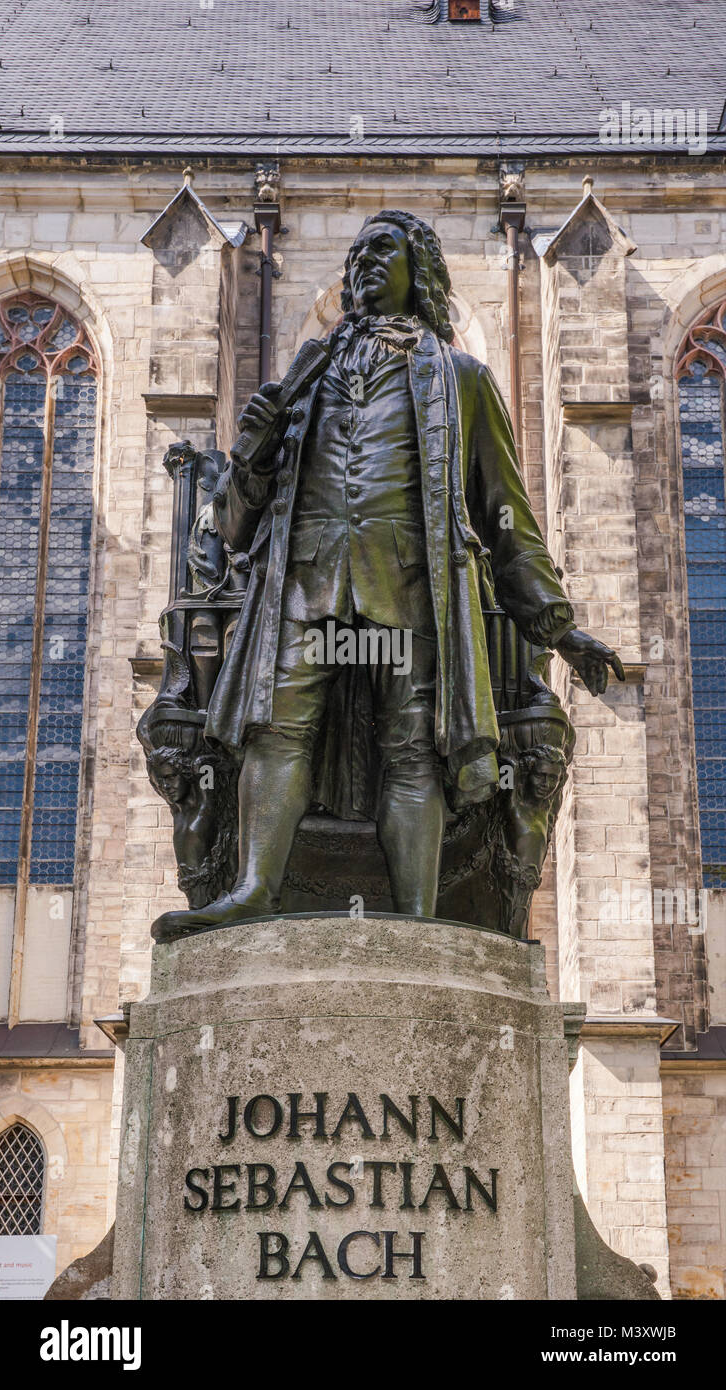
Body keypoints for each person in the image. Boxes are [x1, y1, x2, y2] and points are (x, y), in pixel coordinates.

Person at [152, 209, 623, 940]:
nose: (363, 265)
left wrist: (561, 631)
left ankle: (415, 918)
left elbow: (504, 514)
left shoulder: (462, 380)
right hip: (305, 585)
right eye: (355, 255)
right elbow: (236, 526)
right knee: (276, 732)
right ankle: (251, 891)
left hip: (413, 590)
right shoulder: (301, 385)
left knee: (417, 747)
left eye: (382, 251)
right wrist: (251, 452)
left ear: (418, 269)